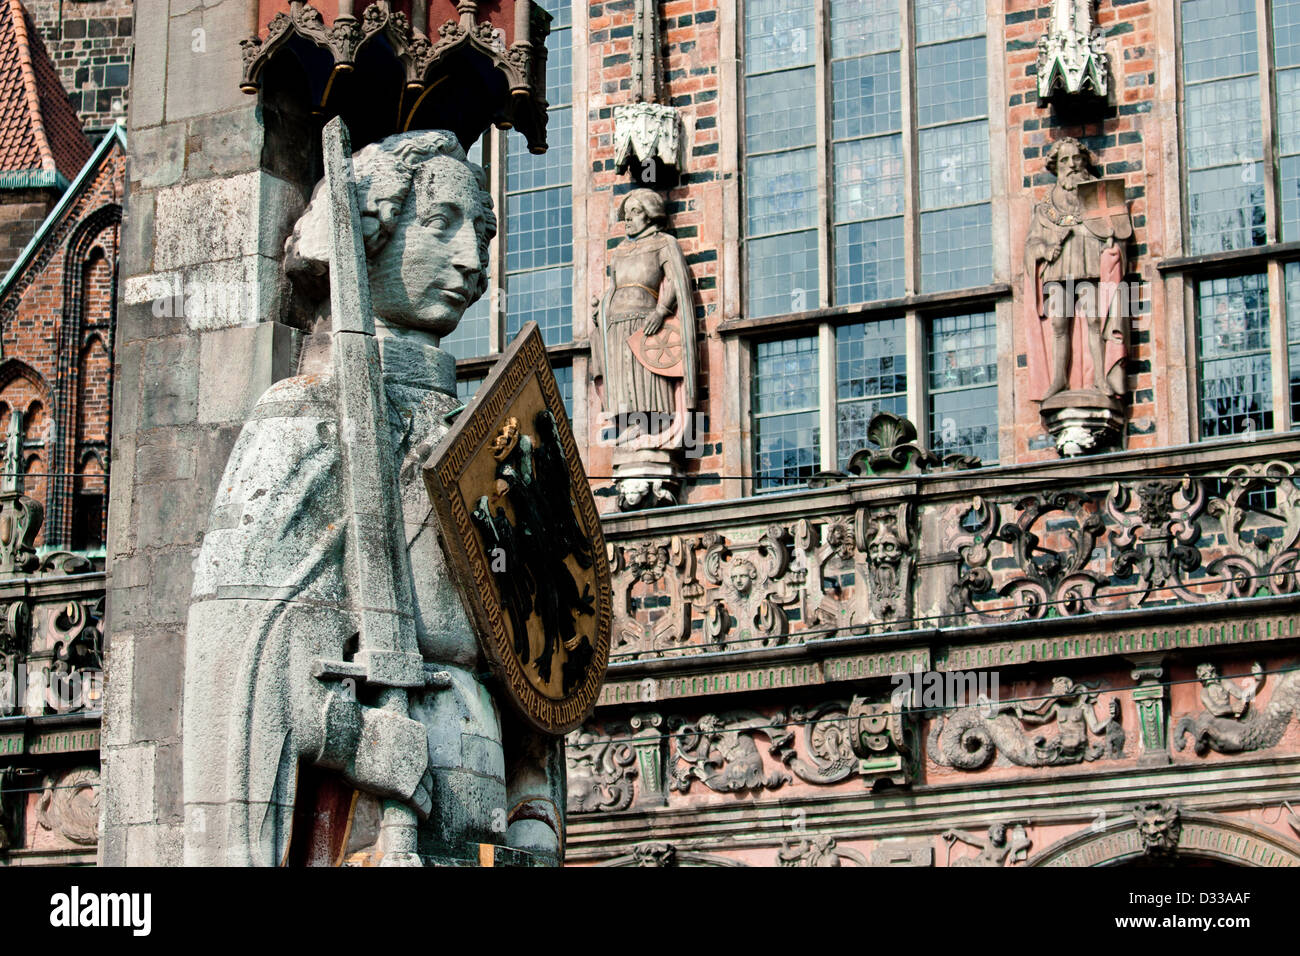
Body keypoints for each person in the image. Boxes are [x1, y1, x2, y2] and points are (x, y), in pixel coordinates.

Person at [183, 130, 565, 866]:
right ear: (374, 229)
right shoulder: (303, 415)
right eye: (441, 223)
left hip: (485, 816)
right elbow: (242, 651)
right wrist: (351, 736)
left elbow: (536, 661)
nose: (472, 260)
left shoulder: (491, 439)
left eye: (483, 234)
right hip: (360, 818)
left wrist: (534, 805)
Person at [1024, 137, 1128, 401]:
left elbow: (1116, 229)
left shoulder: (1097, 196)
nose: (1071, 165)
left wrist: (1112, 244)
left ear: (1084, 162)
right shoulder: (1045, 206)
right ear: (1056, 166)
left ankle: (1100, 378)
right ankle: (1059, 379)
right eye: (1064, 160)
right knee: (1059, 324)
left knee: (1094, 320)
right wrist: (1045, 249)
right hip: (1059, 268)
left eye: (1076, 158)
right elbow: (1032, 242)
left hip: (1089, 263)